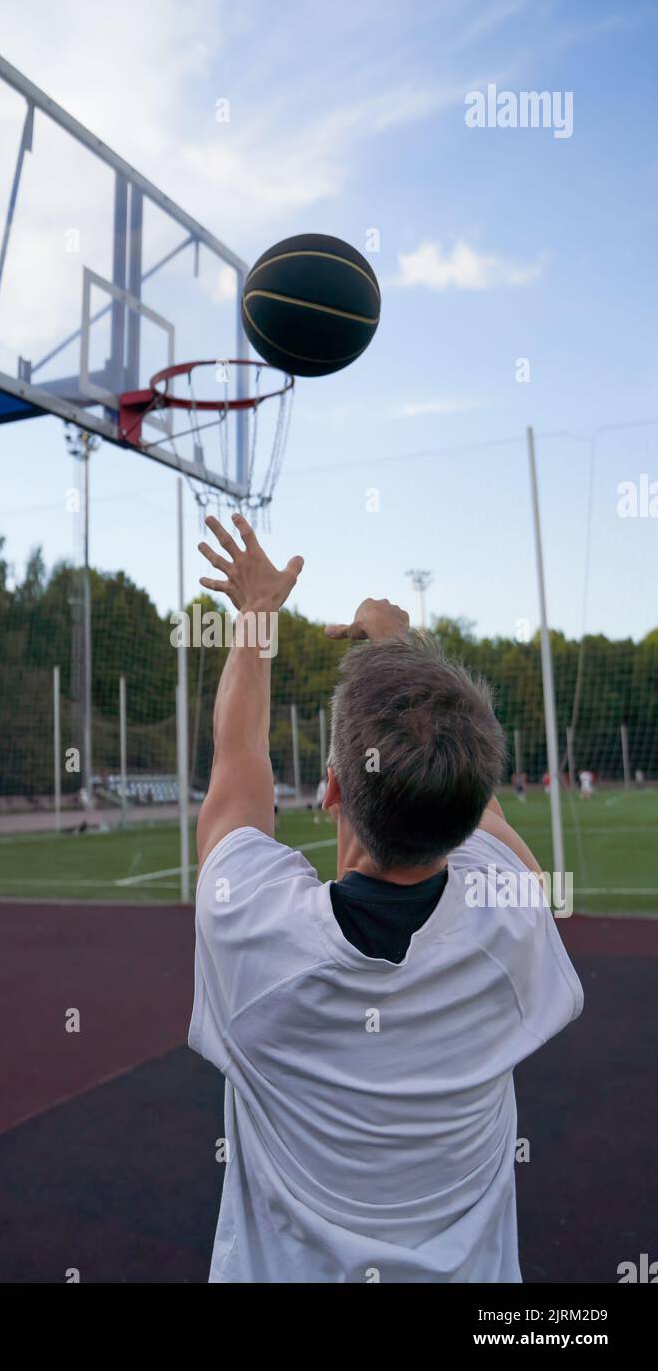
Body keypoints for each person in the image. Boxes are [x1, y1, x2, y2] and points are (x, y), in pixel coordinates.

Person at [190, 514, 582, 1284]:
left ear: (330, 788)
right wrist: (398, 651)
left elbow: (238, 768)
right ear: (471, 814)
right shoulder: (512, 921)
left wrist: (257, 618)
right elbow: (489, 827)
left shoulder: (251, 929)